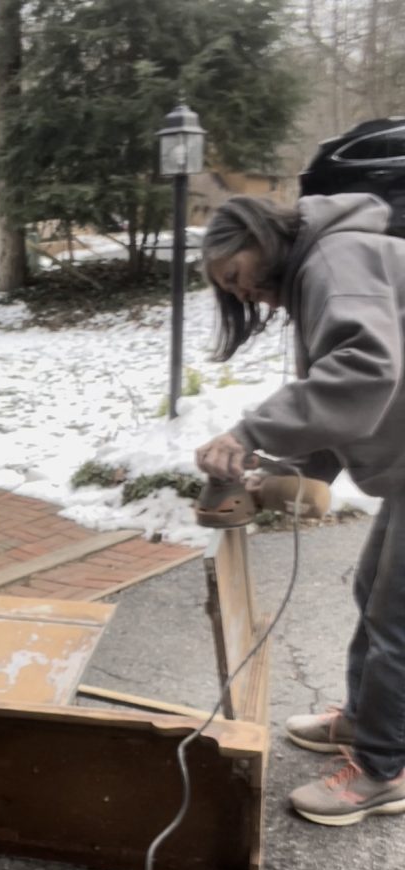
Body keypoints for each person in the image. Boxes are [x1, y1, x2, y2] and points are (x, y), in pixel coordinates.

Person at [195, 192, 405, 827]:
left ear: (260, 235)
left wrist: (250, 433)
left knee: (398, 620)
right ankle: (368, 723)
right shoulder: (334, 261)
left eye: (238, 275)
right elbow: (348, 400)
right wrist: (279, 473)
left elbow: (365, 372)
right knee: (375, 591)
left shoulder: (334, 261)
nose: (246, 293)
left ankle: (383, 771)